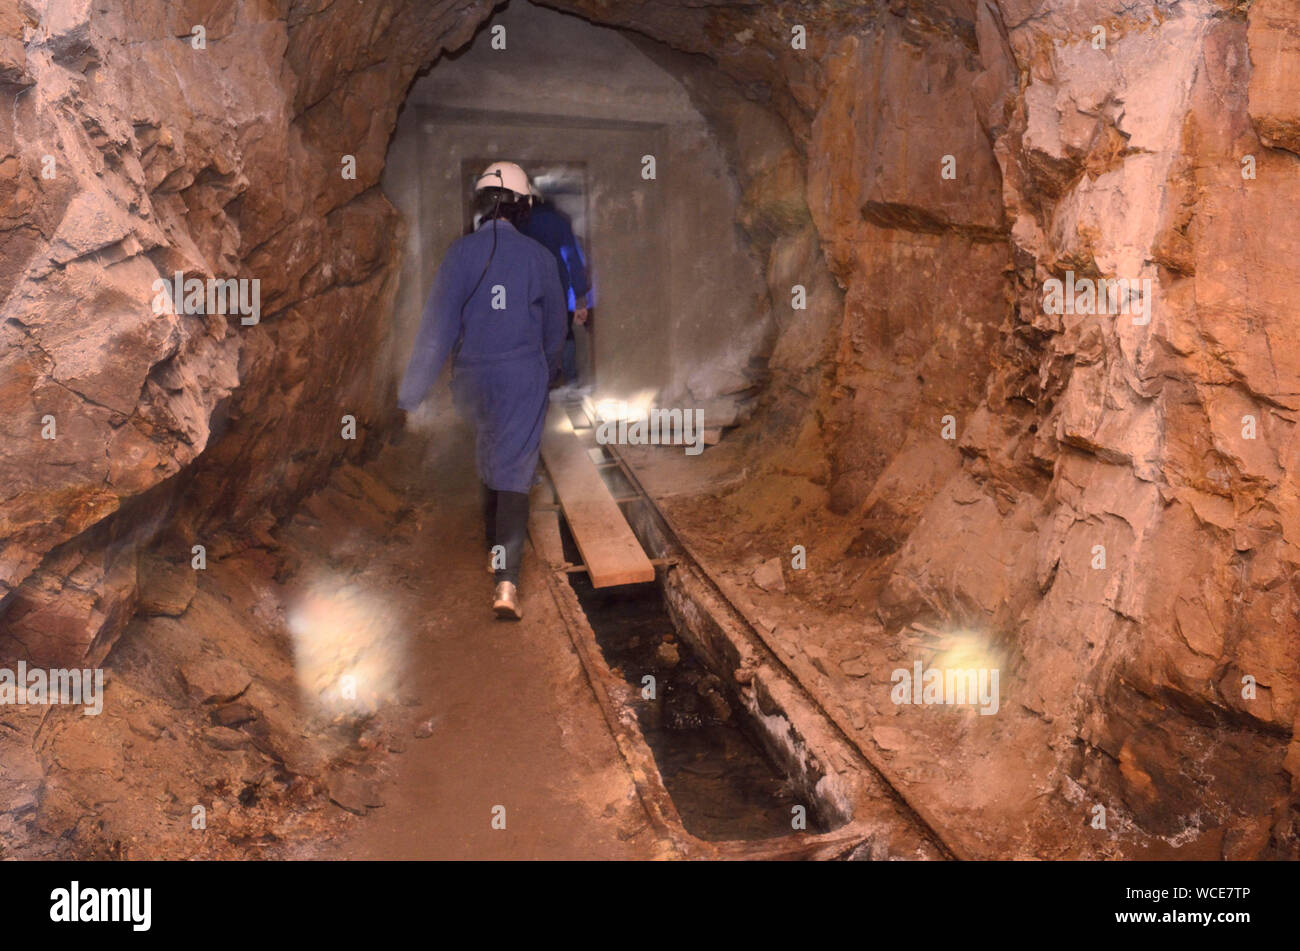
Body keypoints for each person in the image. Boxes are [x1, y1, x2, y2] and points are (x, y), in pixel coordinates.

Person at [396, 161, 567, 620]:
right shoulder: (539, 258)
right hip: (520, 376)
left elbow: (436, 331)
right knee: (514, 469)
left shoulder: (458, 254)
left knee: (490, 451)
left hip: (472, 378)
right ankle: (506, 581)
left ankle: (492, 541)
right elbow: (555, 329)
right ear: (522, 206)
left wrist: (410, 396)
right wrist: (543, 375)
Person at [519, 184, 591, 399]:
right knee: (564, 332)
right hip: (557, 285)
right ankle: (571, 382)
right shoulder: (559, 221)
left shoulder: (519, 222)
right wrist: (580, 299)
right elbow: (572, 258)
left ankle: (534, 385)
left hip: (526, 286)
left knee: (531, 335)